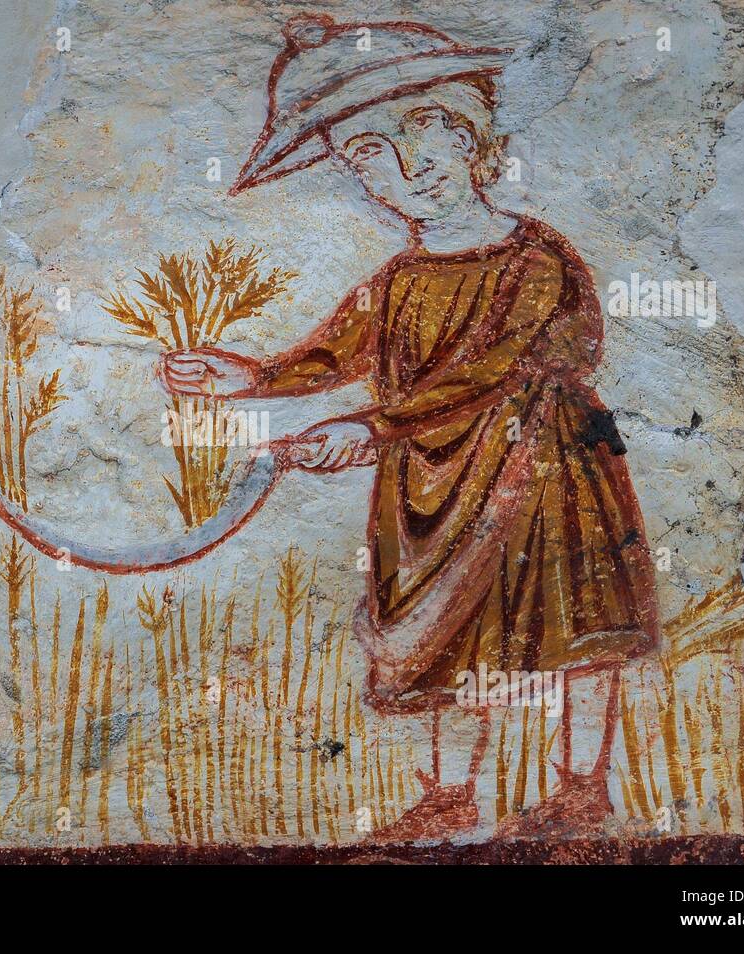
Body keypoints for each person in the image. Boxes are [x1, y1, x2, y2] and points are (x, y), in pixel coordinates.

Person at [160, 13, 659, 840]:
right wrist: (253, 376)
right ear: (353, 175)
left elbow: (492, 371)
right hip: (429, 480)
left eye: (425, 128)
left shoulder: (537, 262)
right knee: (446, 640)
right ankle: (448, 798)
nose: (407, 164)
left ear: (472, 137)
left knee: (574, 625)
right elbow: (336, 351)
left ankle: (580, 792)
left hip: (543, 469)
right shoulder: (396, 282)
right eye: (366, 151)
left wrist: (370, 426)